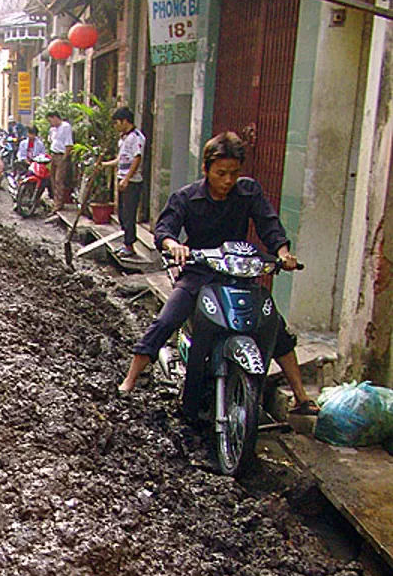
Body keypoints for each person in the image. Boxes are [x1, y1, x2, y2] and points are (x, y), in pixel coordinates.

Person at [118, 131, 319, 416]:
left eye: (234, 173)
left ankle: (301, 397)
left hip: (238, 273)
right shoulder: (186, 197)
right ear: (206, 169)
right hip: (199, 272)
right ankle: (130, 379)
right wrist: (173, 245)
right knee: (167, 319)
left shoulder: (248, 192)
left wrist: (283, 253)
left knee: (274, 324)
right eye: (221, 173)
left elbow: (269, 225)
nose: (228, 181)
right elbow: (164, 229)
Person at [100, 107, 145, 258]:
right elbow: (121, 159)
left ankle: (130, 246)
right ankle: (126, 242)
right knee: (121, 214)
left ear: (125, 121)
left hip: (132, 182)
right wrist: (105, 165)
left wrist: (127, 179)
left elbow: (137, 158)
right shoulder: (124, 138)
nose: (115, 126)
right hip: (122, 178)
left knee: (129, 214)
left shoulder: (136, 137)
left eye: (117, 122)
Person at [46, 109, 73, 217]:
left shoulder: (65, 127)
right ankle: (55, 201)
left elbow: (68, 144)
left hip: (61, 156)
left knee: (59, 180)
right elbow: (51, 142)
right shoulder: (52, 129)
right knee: (52, 179)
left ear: (55, 117)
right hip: (53, 155)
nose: (50, 123)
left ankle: (59, 204)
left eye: (51, 121)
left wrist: (65, 158)